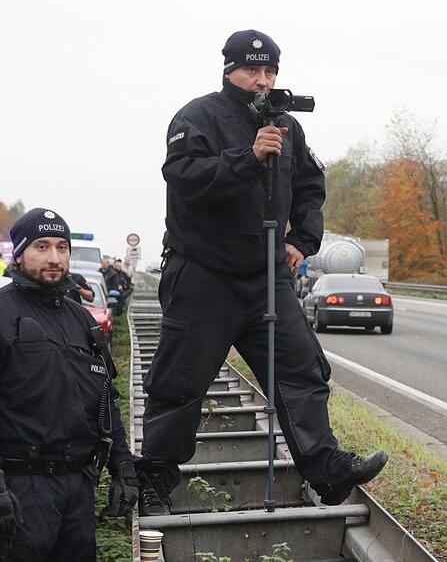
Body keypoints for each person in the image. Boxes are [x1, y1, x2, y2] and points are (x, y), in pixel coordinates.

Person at [137, 29, 386, 515]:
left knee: (303, 371)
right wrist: (247, 157)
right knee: (179, 383)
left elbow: (312, 186)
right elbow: (184, 179)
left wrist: (301, 240)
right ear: (230, 70)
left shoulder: (288, 126)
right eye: (253, 70)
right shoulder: (197, 117)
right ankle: (154, 478)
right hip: (203, 274)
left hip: (265, 277)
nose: (263, 80)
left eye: (270, 71)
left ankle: (327, 470)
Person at [0, 209, 138, 561]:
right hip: (21, 490)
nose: (55, 258)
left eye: (62, 248)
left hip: (78, 489)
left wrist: (123, 467)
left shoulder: (80, 319)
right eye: (42, 247)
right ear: (19, 254)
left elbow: (105, 398)